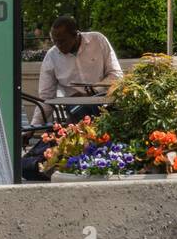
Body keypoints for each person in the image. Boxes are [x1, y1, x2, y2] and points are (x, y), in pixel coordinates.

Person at [22, 16, 123, 181]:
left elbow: (117, 75)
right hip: (74, 111)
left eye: (62, 41)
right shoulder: (52, 56)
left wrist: (91, 91)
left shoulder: (97, 40)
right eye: (55, 41)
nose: (58, 46)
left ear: (76, 35)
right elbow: (46, 98)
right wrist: (32, 129)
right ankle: (47, 162)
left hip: (103, 103)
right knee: (71, 119)